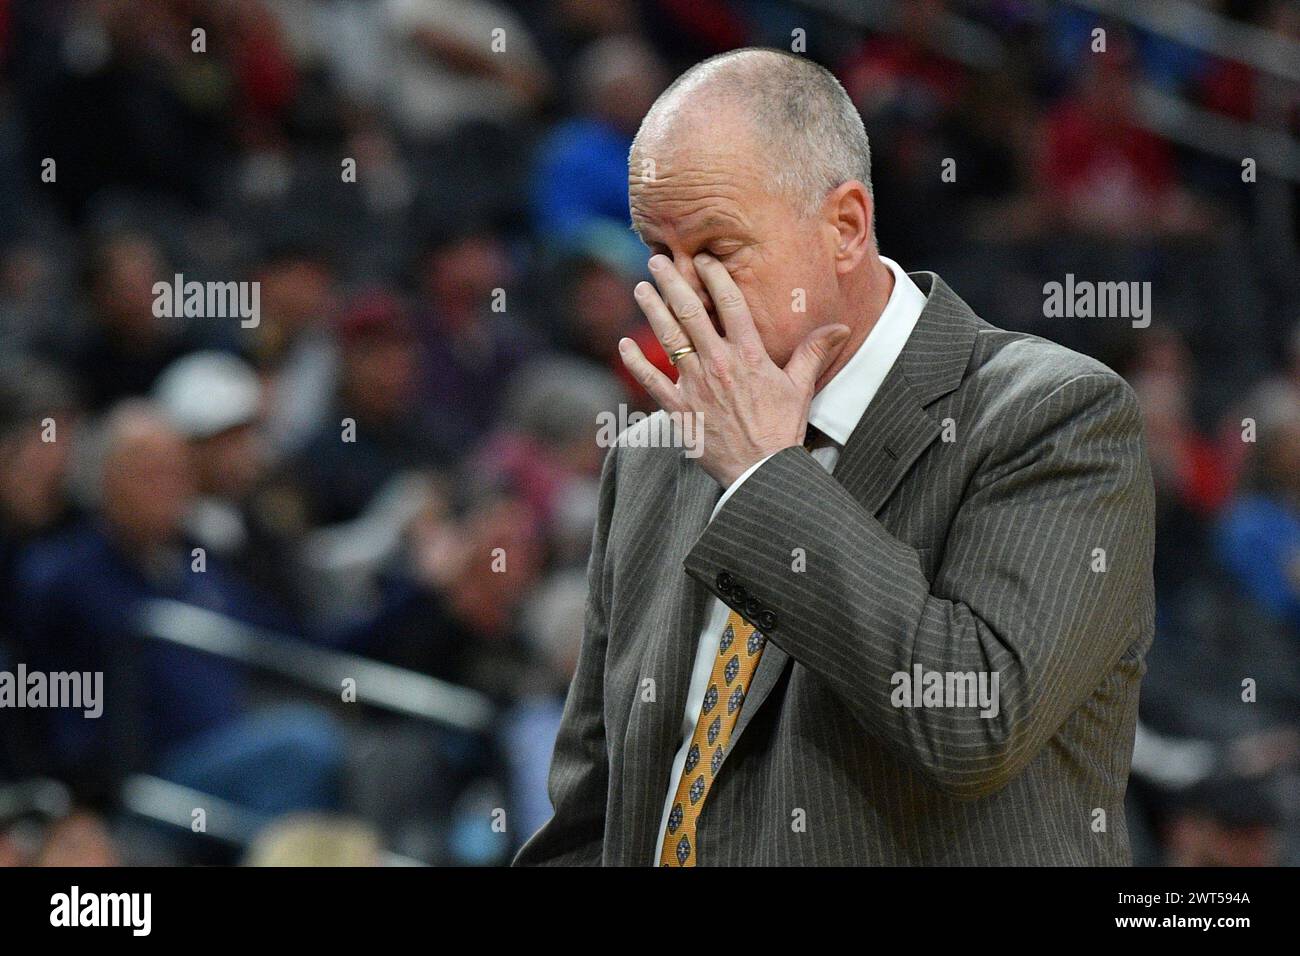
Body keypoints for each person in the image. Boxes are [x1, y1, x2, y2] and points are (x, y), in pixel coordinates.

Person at [515, 49, 1155, 867]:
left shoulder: (1051, 415)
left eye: (715, 249)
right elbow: (594, 816)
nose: (682, 295)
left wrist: (762, 478)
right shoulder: (652, 456)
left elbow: (974, 722)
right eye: (658, 253)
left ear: (845, 227)